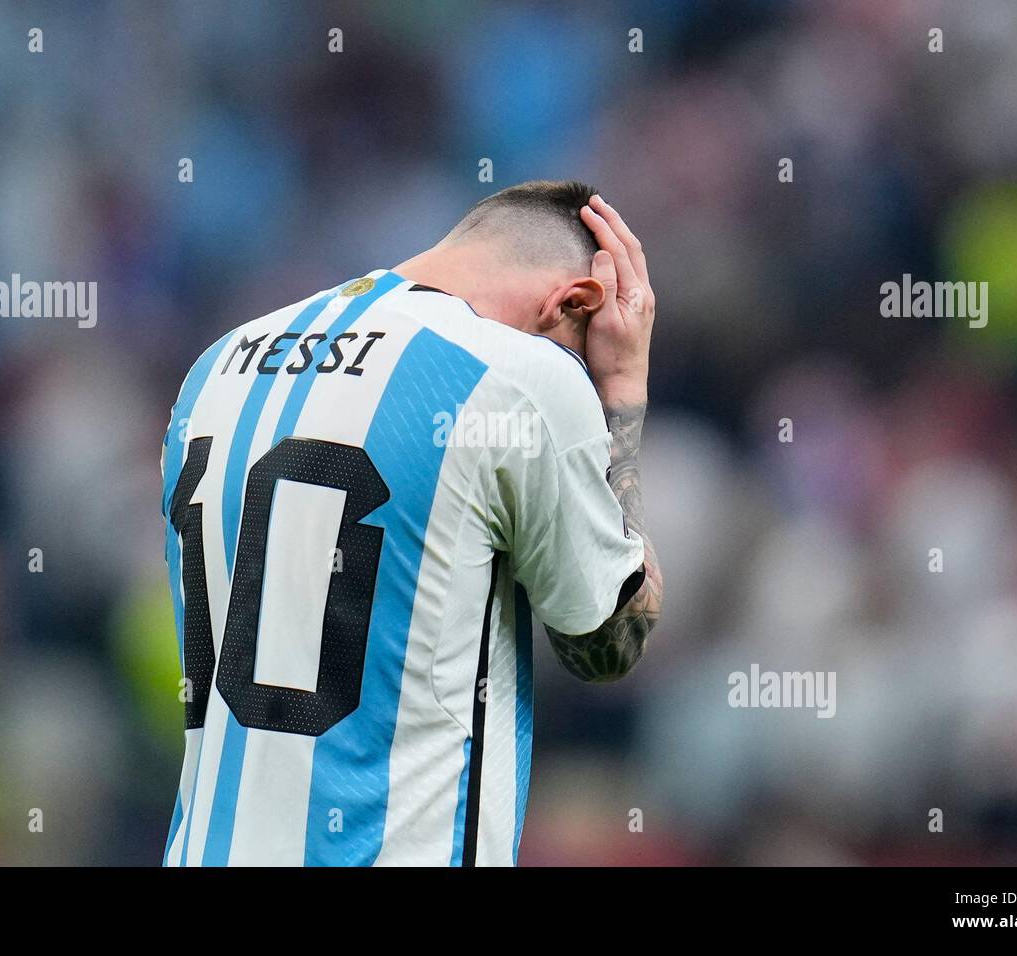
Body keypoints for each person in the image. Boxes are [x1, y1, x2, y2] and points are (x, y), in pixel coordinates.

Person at [160, 181, 662, 866]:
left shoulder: (215, 368)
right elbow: (608, 640)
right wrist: (622, 389)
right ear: (572, 302)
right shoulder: (518, 376)